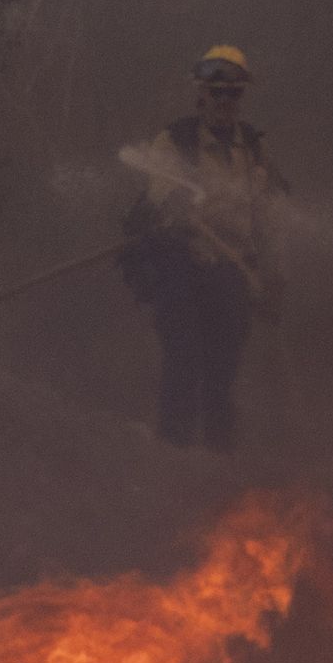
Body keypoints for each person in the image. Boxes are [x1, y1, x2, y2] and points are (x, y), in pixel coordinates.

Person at [118, 42, 286, 450]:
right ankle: (173, 451)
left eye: (234, 93)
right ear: (201, 94)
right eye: (217, 93)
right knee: (183, 354)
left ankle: (217, 460)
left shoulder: (256, 149)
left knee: (223, 366)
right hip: (181, 260)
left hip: (231, 268)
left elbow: (270, 218)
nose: (225, 101)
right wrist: (172, 199)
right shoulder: (176, 139)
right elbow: (159, 183)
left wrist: (273, 274)